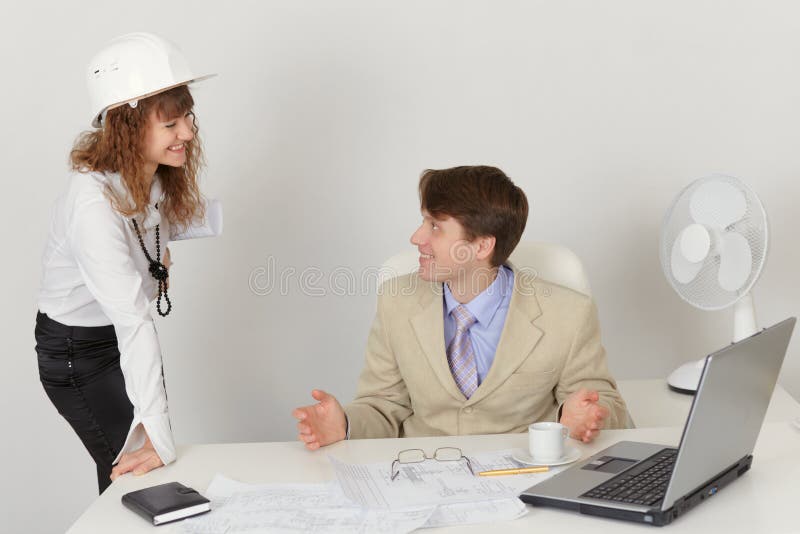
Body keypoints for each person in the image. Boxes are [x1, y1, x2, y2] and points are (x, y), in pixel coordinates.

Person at [293, 165, 627, 449]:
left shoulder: (568, 313)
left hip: (523, 480)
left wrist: (580, 418)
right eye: (423, 222)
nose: (416, 237)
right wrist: (346, 424)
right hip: (422, 474)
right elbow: (384, 405)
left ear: (482, 245)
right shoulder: (397, 300)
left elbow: (608, 407)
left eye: (435, 226)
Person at [35, 33, 219, 493]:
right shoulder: (92, 207)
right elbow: (133, 319)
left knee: (134, 472)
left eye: (187, 119)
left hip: (112, 343)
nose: (188, 134)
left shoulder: (145, 179)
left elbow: (165, 220)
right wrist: (159, 436)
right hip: (77, 354)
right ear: (128, 126)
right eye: (172, 124)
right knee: (137, 473)